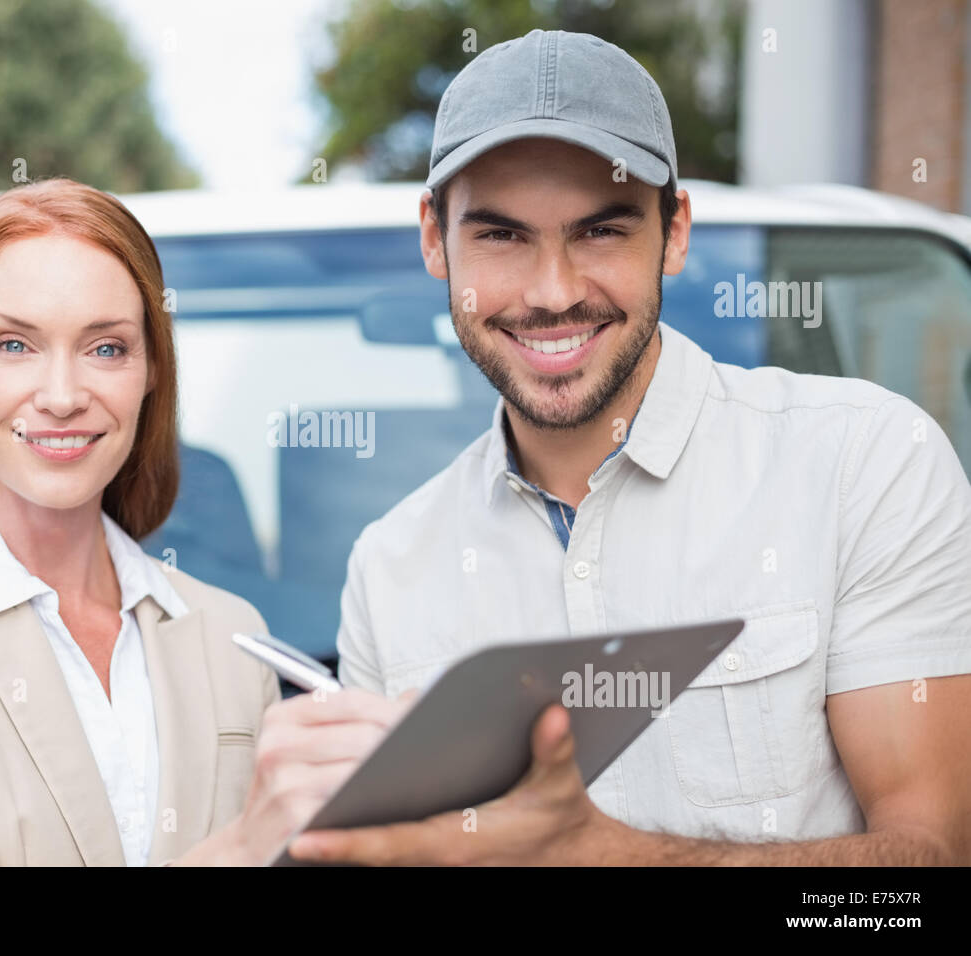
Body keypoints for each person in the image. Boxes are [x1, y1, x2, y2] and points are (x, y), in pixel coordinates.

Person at [286, 29, 971, 865]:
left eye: (601, 232)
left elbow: (921, 871)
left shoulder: (865, 463)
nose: (554, 292)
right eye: (501, 236)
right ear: (435, 239)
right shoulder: (389, 569)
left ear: (674, 231)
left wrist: (606, 853)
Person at [0, 178, 405, 866]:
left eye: (106, 349)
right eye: (14, 345)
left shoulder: (232, 637)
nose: (63, 397)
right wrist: (244, 849)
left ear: (152, 367)